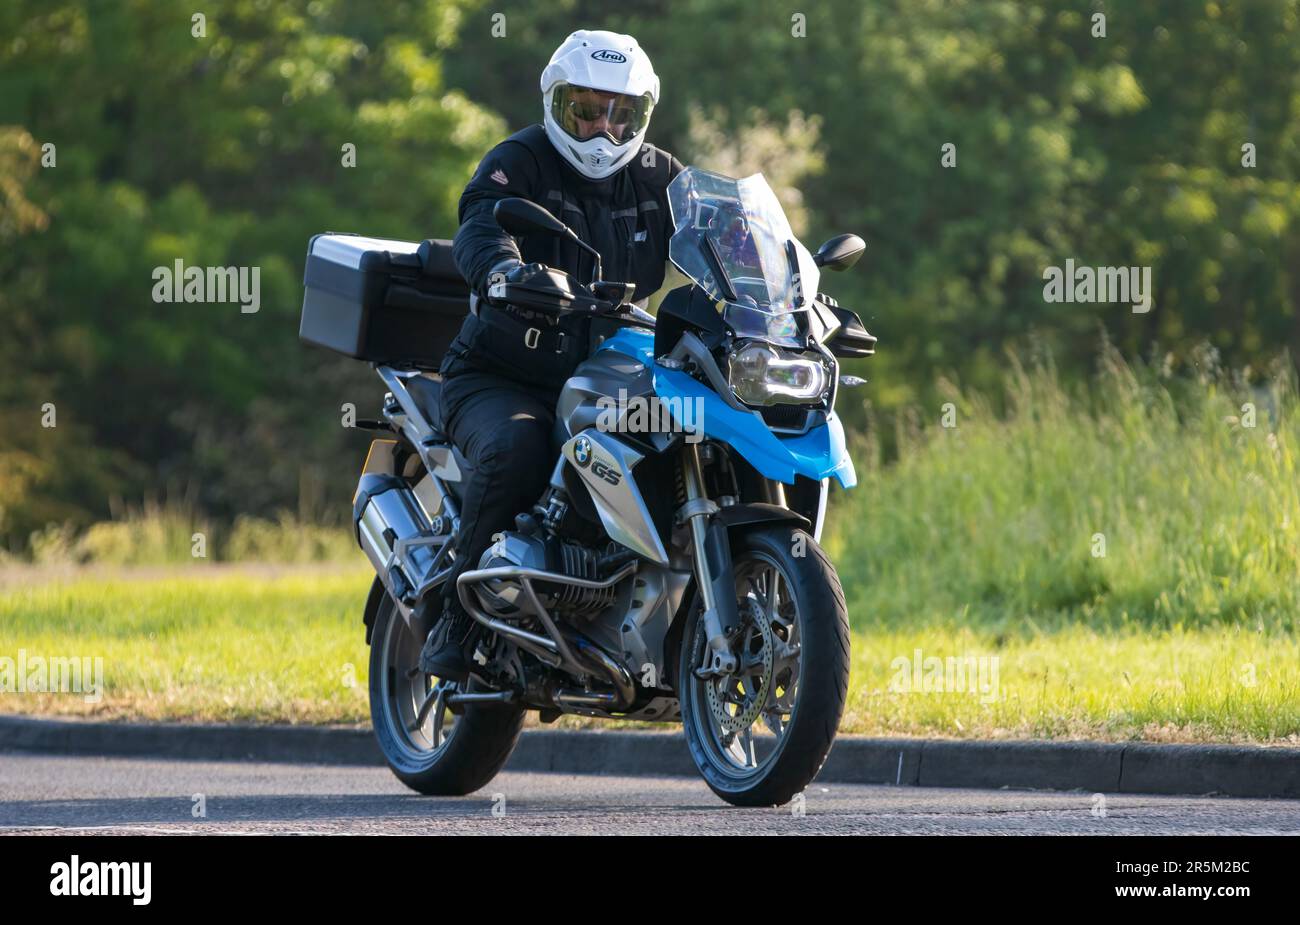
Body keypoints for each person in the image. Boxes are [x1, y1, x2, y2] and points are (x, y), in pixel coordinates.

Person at [418, 29, 684, 681]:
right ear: (555, 104)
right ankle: (456, 616)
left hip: (611, 368)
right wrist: (505, 272)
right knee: (519, 449)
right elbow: (481, 223)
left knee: (685, 440)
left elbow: (724, 236)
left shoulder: (661, 177)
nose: (602, 129)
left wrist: (778, 287)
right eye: (586, 110)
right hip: (503, 374)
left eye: (622, 115)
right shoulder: (521, 161)